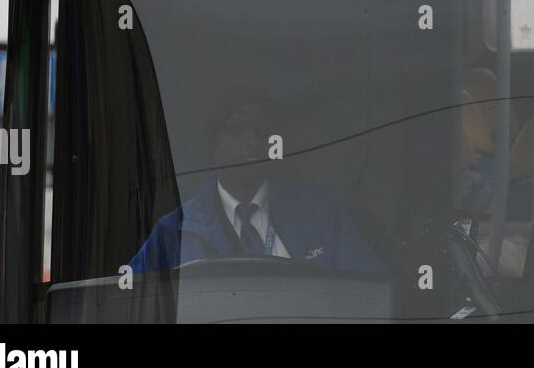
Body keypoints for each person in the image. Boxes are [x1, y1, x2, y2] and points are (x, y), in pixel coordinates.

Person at [130, 96, 385, 274]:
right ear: (214, 145)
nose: (253, 141)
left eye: (262, 131)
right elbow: (128, 305)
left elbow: (372, 297)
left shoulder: (321, 216)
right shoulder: (175, 232)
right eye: (237, 130)